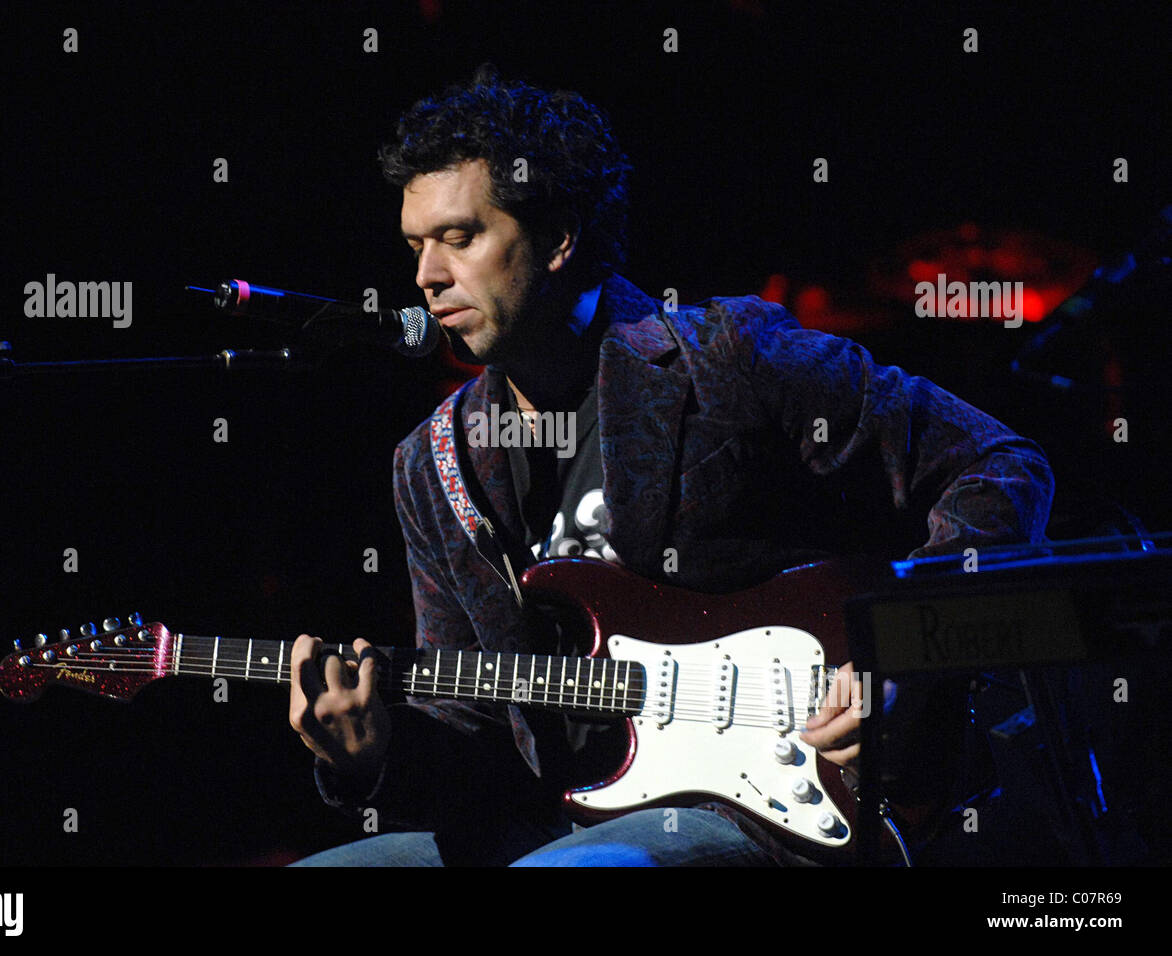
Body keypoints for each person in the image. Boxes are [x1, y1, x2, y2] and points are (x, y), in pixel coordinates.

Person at [287, 66, 1055, 866]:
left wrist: (903, 657)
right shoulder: (431, 463)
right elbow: (475, 734)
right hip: (553, 816)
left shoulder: (726, 358)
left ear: (558, 239)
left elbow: (1000, 464)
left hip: (773, 803)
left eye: (460, 237)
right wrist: (371, 753)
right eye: (416, 245)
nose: (426, 277)